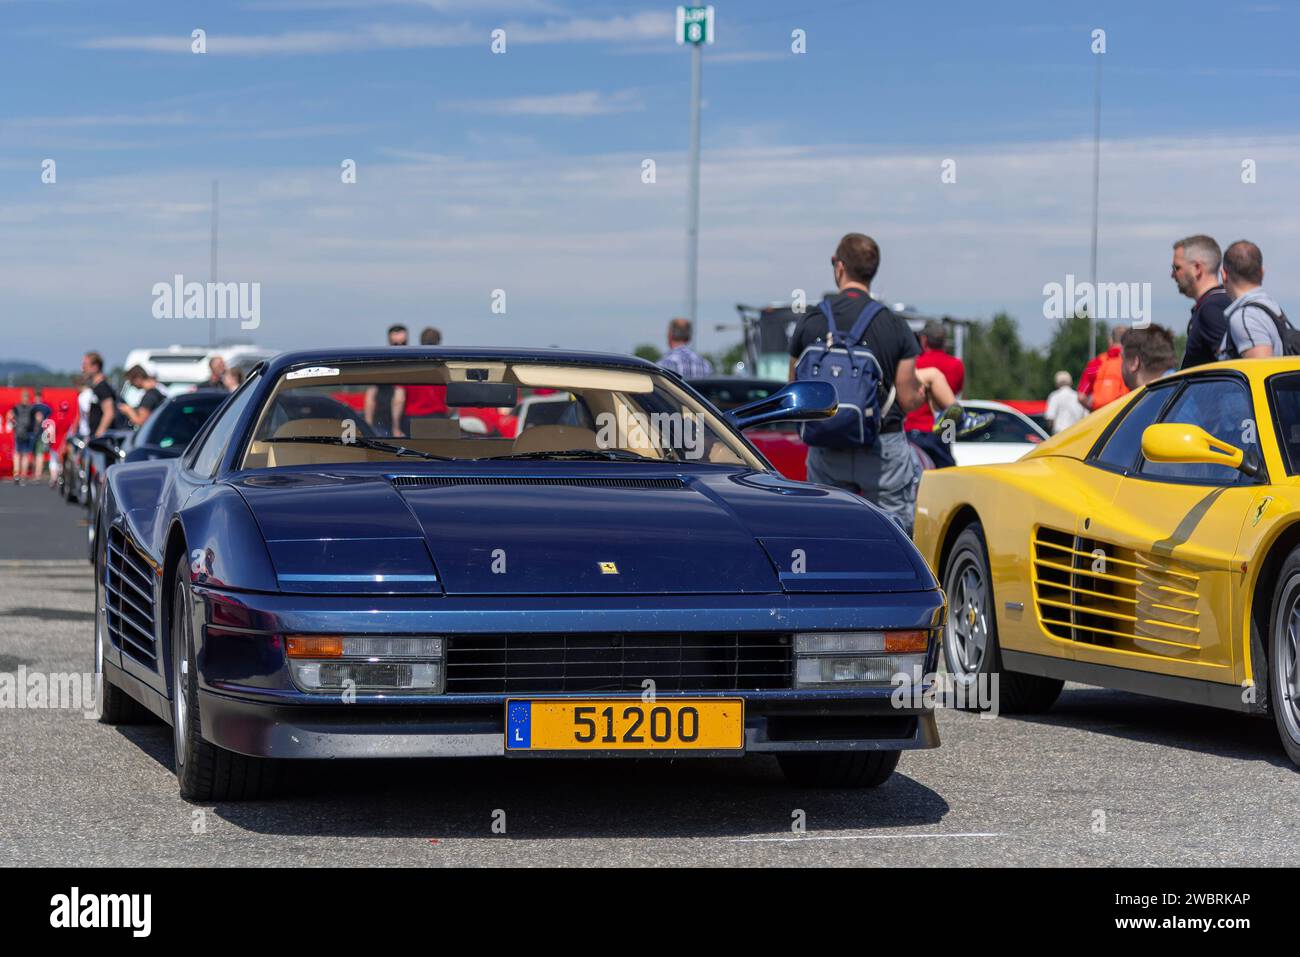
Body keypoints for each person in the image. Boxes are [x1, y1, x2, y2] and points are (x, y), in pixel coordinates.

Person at [788, 233, 939, 534]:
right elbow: (908, 399)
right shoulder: (895, 325)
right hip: (882, 447)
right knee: (892, 534)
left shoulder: (812, 321)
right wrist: (925, 394)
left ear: (839, 266)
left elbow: (794, 389)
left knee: (825, 531)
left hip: (827, 445)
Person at [1216, 240, 1285, 360]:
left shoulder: (1245, 317)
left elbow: (1261, 369)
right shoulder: (1272, 309)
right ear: (1262, 273)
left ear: (1224, 275)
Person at [1171, 235, 1230, 369]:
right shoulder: (1219, 301)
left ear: (1197, 268)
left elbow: (1233, 365)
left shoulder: (1212, 309)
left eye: (1177, 268)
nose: (1172, 275)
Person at [364, 324, 408, 435]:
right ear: (389, 342)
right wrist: (367, 425)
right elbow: (371, 394)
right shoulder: (382, 364)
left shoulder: (412, 363)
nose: (399, 347)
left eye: (403, 344)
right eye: (396, 344)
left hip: (406, 421)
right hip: (382, 421)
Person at [1078, 325, 1129, 410]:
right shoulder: (1132, 362)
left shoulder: (1095, 363)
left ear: (1110, 341)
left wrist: (1093, 409)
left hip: (1101, 416)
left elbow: (1081, 396)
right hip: (1123, 414)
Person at [1120, 325, 1178, 390]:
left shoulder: (1159, 398)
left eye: (1123, 358)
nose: (1120, 365)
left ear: (1134, 363)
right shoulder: (1184, 390)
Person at [82, 351, 125, 438]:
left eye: (85, 365)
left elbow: (109, 413)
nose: (82, 369)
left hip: (102, 441)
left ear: (95, 367)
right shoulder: (97, 387)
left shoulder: (102, 387)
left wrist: (97, 436)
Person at [7, 390, 35, 482]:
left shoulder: (17, 407)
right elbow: (35, 421)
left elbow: (10, 416)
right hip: (27, 432)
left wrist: (14, 424)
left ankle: (17, 474)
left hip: (19, 432)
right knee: (25, 455)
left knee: (17, 454)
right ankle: (23, 475)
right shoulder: (31, 408)